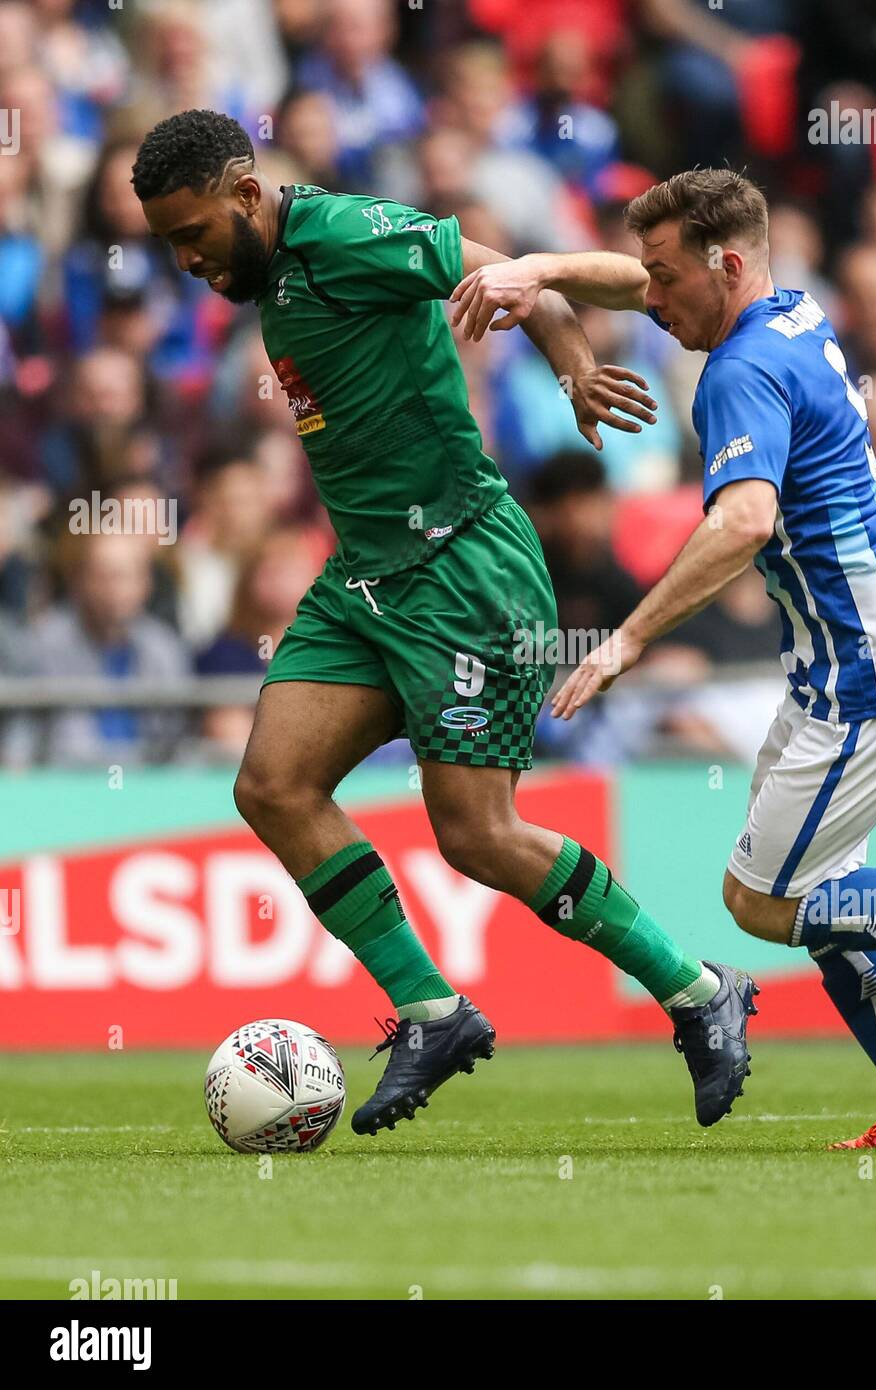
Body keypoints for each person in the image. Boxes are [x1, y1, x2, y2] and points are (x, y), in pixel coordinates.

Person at [132, 109, 758, 1135]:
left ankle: (698, 989)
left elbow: (514, 276)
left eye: (193, 232)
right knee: (275, 786)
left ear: (247, 194)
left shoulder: (347, 234)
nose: (187, 258)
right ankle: (432, 1009)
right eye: (169, 242)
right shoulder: (271, 270)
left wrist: (568, 365)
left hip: (463, 568)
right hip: (367, 580)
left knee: (476, 835)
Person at [452, 167, 876, 1150]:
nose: (650, 298)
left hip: (868, 674)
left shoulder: (739, 372)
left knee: (764, 900)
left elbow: (744, 521)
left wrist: (628, 636)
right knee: (828, 894)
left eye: (666, 279)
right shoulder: (788, 311)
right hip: (865, 651)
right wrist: (537, 269)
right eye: (649, 277)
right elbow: (630, 279)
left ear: (729, 263)